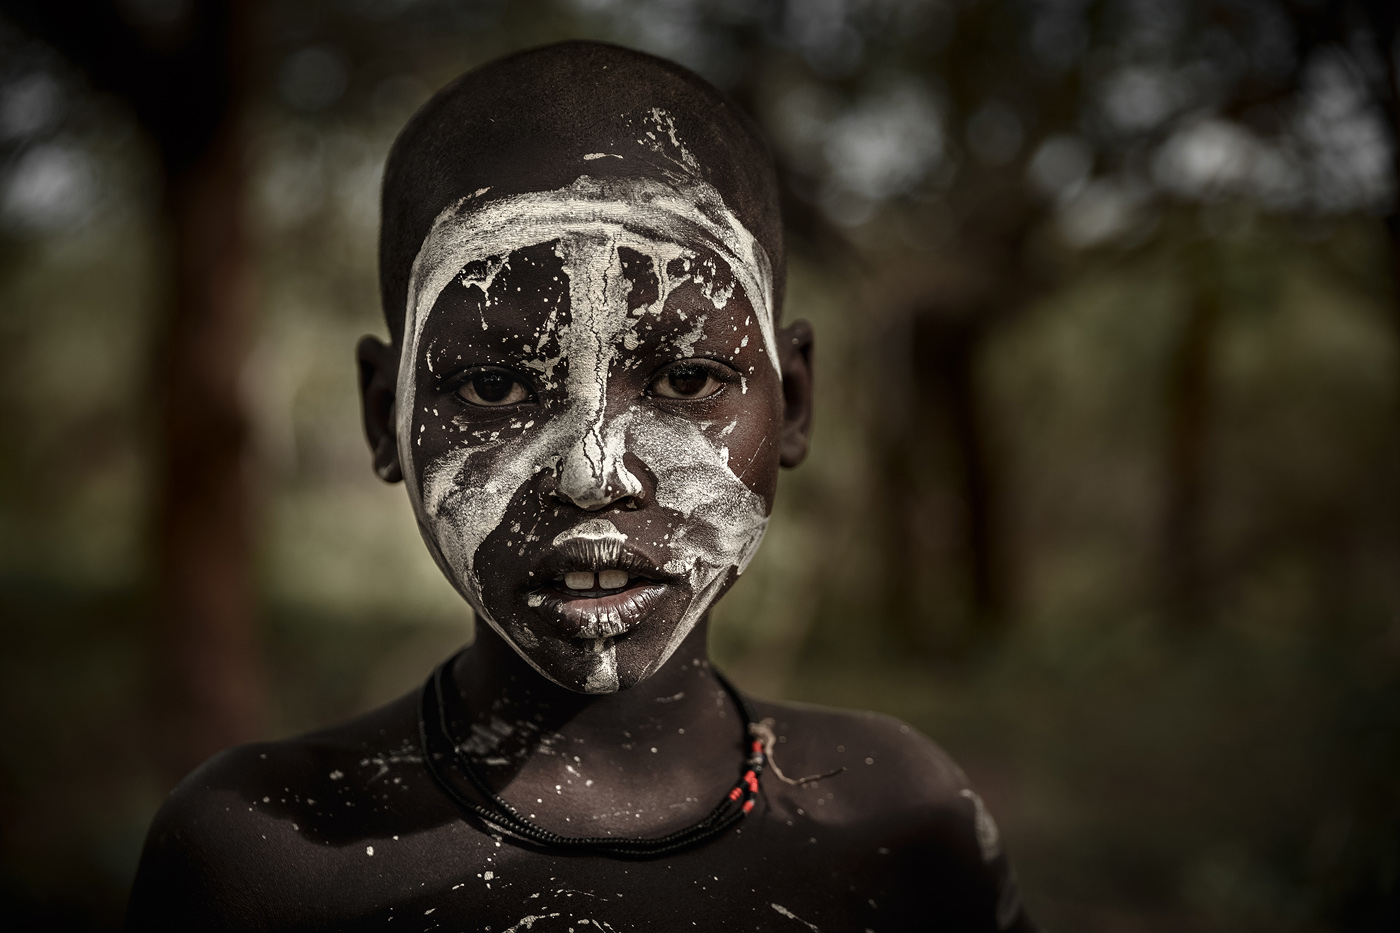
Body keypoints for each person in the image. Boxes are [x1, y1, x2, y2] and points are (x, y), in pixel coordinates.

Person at [126, 40, 1034, 932]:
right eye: (495, 387)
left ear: (792, 401)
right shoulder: (261, 855)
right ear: (384, 414)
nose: (594, 473)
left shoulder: (904, 825)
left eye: (686, 380)